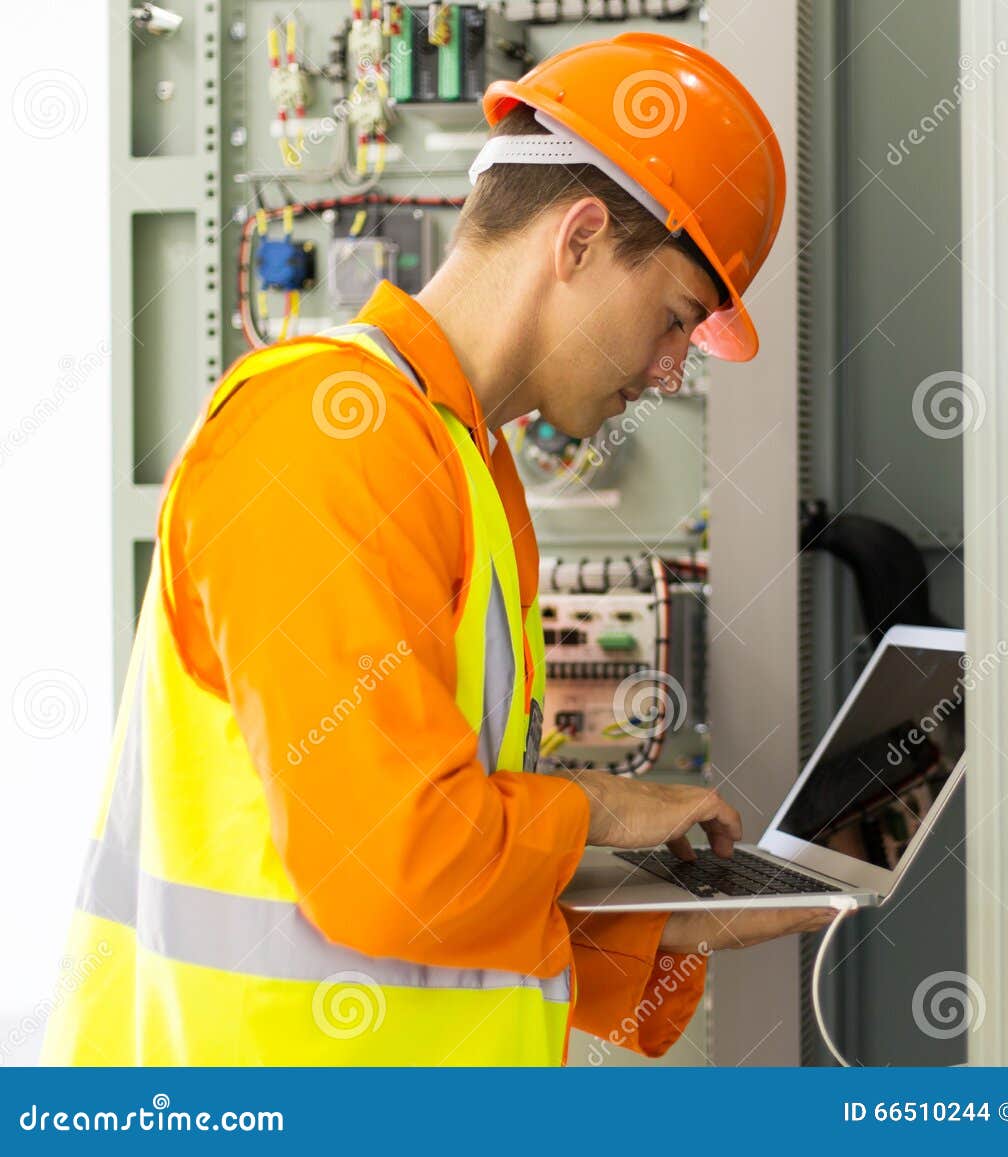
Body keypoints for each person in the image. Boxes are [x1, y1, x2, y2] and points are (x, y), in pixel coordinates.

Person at [43, 32, 837, 1066]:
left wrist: (671, 923)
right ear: (581, 237)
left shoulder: (458, 456)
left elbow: (427, 899)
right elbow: (391, 871)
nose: (671, 368)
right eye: (677, 318)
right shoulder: (328, 436)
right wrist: (597, 805)